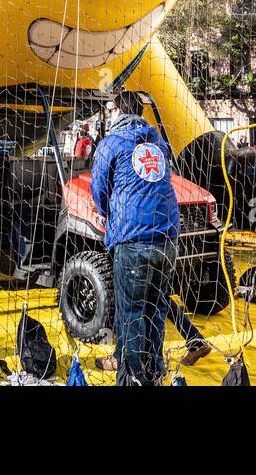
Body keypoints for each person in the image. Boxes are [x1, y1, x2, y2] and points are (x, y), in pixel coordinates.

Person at [90, 90, 181, 385]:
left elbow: (98, 187)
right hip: (166, 238)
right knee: (156, 309)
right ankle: (154, 372)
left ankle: (131, 378)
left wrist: (104, 211)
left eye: (111, 109)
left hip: (133, 238)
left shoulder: (111, 143)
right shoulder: (158, 143)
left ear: (117, 111)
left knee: (130, 313)